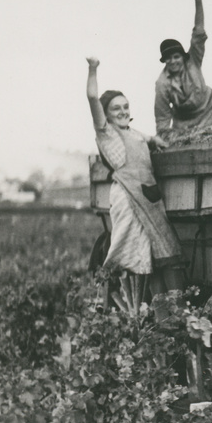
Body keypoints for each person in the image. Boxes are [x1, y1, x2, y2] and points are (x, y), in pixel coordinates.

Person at [86, 57, 185, 294]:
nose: (122, 112)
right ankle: (171, 313)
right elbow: (92, 98)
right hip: (130, 198)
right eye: (116, 108)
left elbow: (141, 137)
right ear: (106, 115)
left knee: (162, 253)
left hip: (148, 197)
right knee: (152, 256)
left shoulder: (131, 131)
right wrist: (93, 69)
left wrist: (154, 139)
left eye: (125, 107)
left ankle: (174, 311)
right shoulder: (106, 133)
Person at [154, 0, 212, 137]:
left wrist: (198, 0)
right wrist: (163, 137)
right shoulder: (162, 83)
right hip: (184, 122)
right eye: (168, 59)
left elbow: (198, 32)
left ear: (183, 56)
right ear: (164, 61)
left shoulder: (193, 60)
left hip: (210, 110)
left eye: (176, 56)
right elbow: (162, 116)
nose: (173, 61)